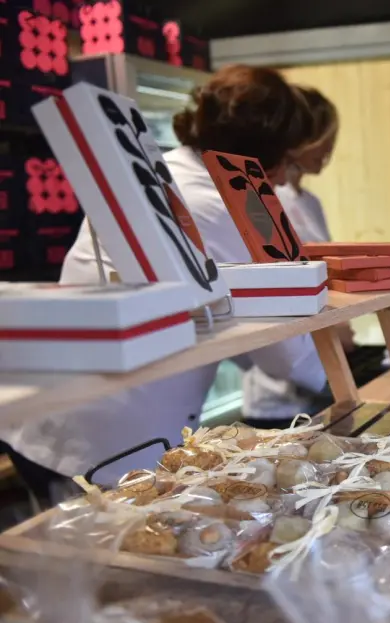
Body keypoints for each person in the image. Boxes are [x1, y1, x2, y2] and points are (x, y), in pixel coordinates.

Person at [2, 65, 330, 497]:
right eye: (287, 161)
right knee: (88, 558)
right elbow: (286, 353)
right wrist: (333, 371)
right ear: (261, 152)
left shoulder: (169, 176)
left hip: (81, 417)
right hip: (96, 437)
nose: (286, 179)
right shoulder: (214, 203)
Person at [240, 86, 354, 429]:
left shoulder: (310, 202)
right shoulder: (270, 201)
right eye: (324, 137)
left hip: (324, 368)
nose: (329, 149)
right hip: (279, 390)